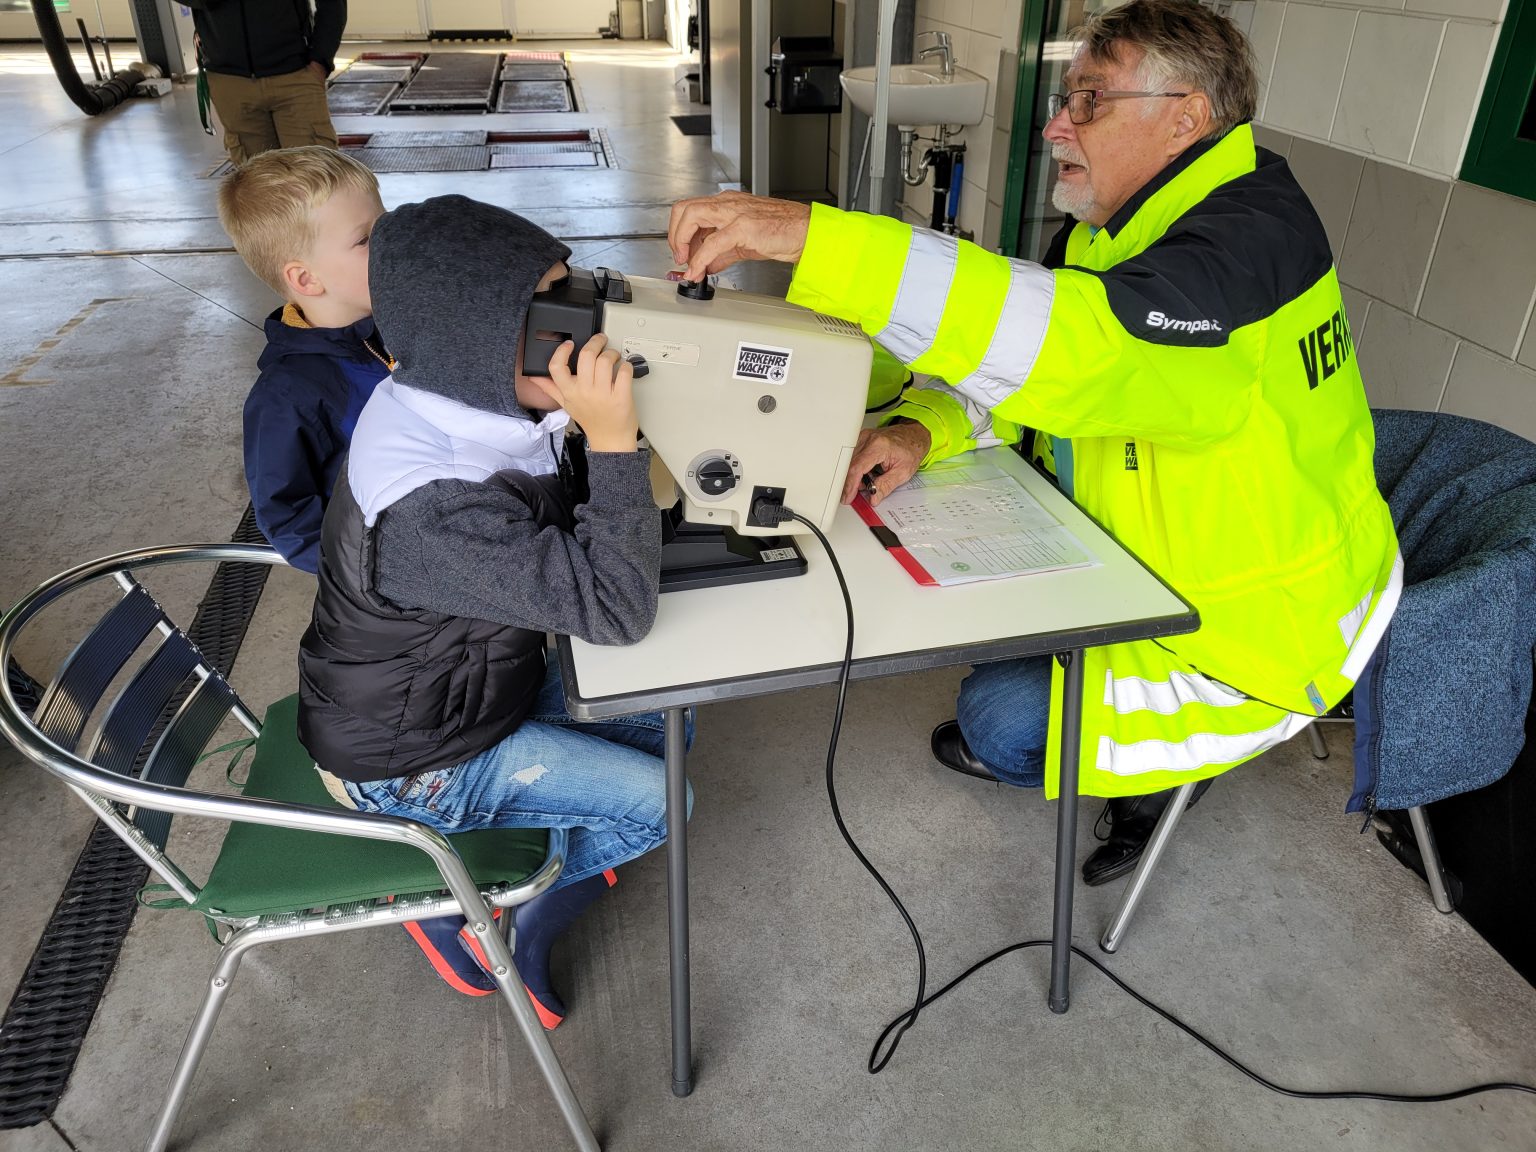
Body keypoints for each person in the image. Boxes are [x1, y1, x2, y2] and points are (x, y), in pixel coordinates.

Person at [667, 0, 1399, 886]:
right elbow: (1043, 384)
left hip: (1247, 638)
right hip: (1143, 564)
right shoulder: (1132, 227)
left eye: (1090, 100)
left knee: (998, 720)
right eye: (1066, 98)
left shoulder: (1240, 250)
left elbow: (1077, 353)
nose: (1057, 124)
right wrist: (920, 428)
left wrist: (814, 237)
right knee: (954, 613)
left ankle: (1172, 781)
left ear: (1188, 116)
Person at [297, 194, 683, 1029]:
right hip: (407, 761)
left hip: (460, 691)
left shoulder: (459, 394)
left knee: (661, 705)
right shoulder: (431, 506)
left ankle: (520, 867)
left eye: (569, 297)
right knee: (664, 801)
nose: (576, 332)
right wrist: (614, 442)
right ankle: (496, 923)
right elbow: (614, 609)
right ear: (472, 340)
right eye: (547, 316)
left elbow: (569, 511)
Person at [217, 146, 390, 575]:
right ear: (307, 279)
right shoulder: (287, 395)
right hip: (402, 588)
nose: (390, 243)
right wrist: (378, 572)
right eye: (366, 238)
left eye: (387, 224)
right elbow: (290, 520)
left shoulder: (401, 323)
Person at [189, 0, 345, 165]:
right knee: (257, 183)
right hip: (230, 81)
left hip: (296, 74)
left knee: (315, 176)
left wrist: (320, 59)